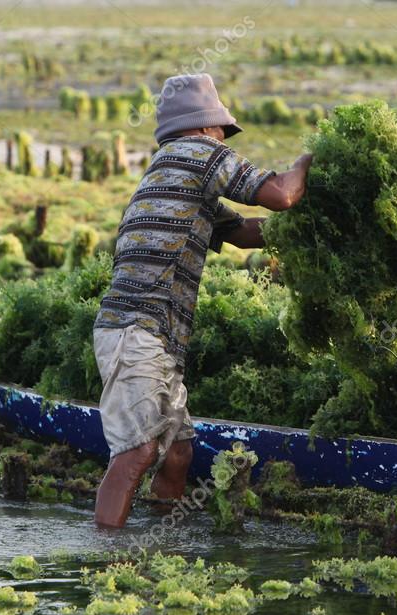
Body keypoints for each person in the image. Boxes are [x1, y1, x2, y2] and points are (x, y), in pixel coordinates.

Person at [91, 74, 312, 528]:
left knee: (178, 453)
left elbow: (246, 233)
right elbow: (282, 196)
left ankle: (160, 538)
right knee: (136, 453)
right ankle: (106, 558)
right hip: (136, 331)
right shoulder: (202, 156)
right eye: (220, 131)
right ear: (208, 127)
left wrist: (310, 232)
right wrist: (312, 159)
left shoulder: (169, 169)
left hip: (154, 337)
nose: (221, 138)